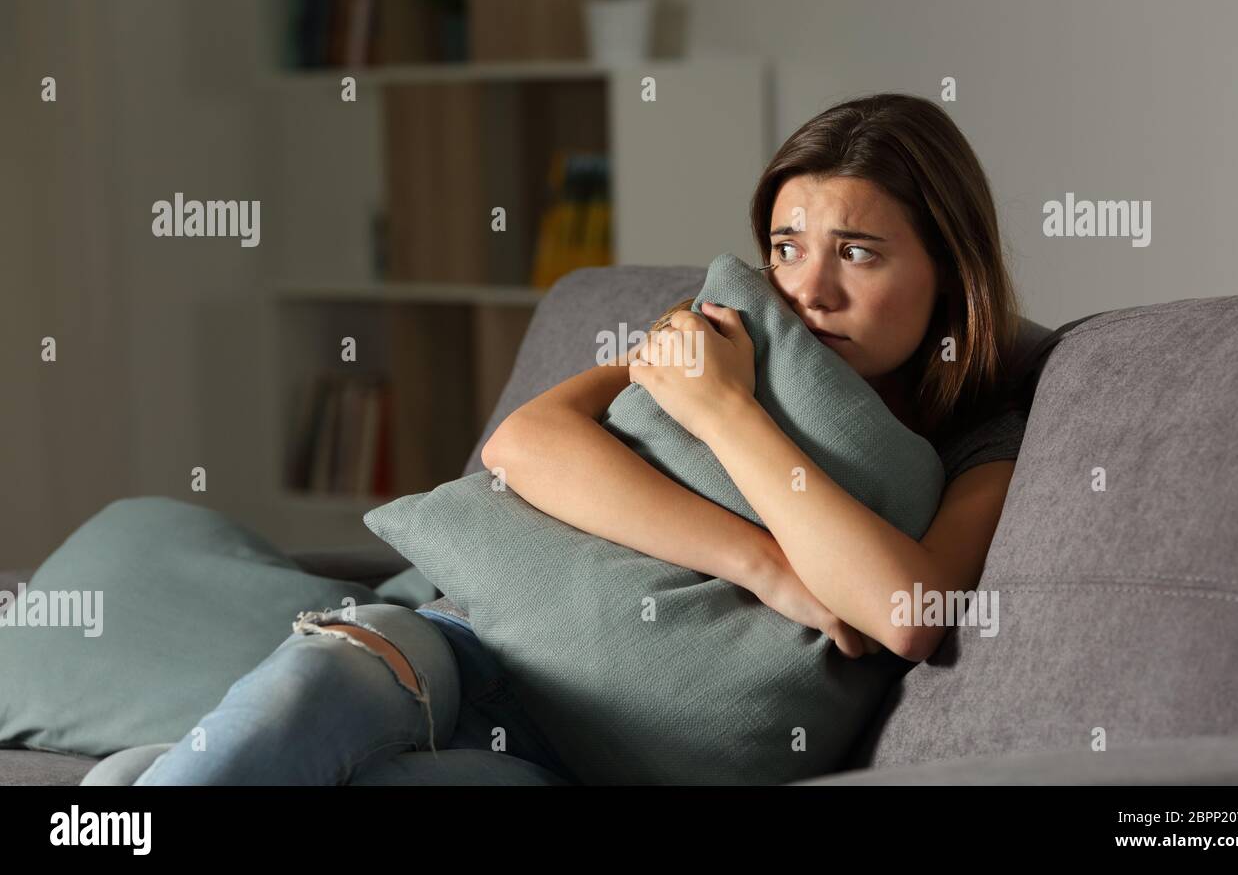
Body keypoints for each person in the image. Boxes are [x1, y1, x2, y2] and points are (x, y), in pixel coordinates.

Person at [83, 92, 1027, 786]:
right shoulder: (723, 333)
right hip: (462, 641)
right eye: (786, 245)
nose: (807, 289)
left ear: (949, 268)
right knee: (307, 695)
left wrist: (724, 416)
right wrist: (768, 567)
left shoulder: (982, 435)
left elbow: (903, 609)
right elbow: (525, 446)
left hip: (576, 755)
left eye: (857, 252)